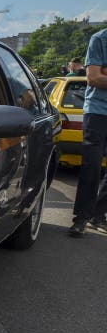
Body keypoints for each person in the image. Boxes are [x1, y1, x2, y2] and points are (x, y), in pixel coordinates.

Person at [69, 27, 107, 236]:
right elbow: (94, 78)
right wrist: (100, 74)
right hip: (98, 111)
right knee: (92, 165)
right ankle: (81, 218)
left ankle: (98, 214)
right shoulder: (100, 39)